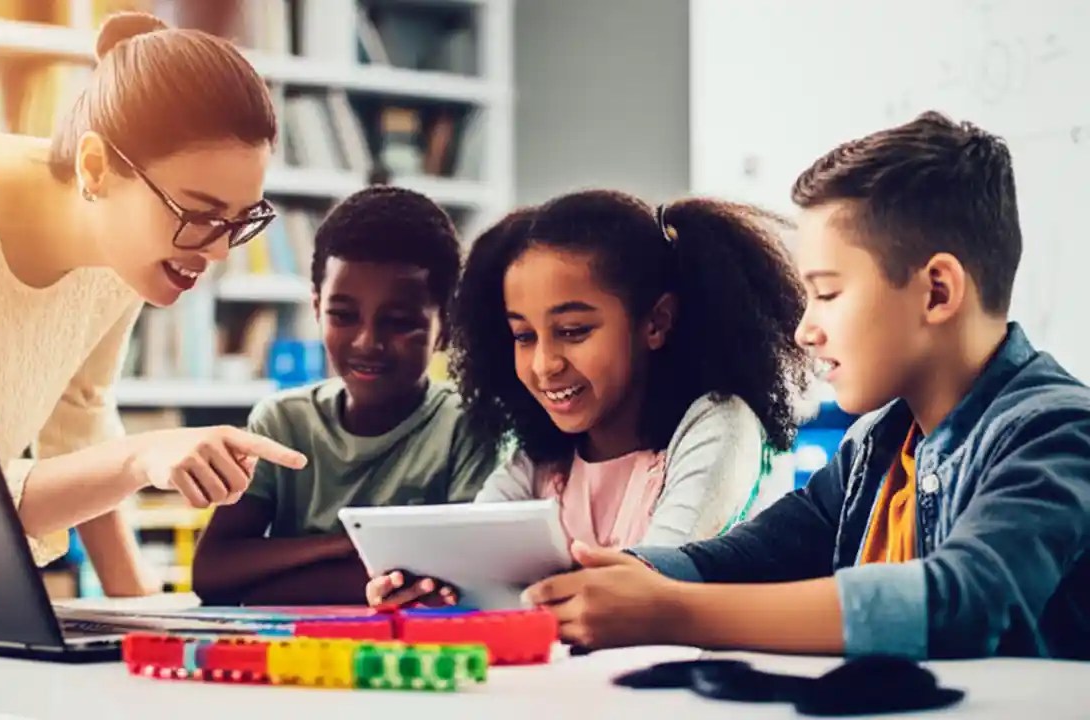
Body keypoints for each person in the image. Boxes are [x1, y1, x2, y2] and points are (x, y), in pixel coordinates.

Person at [521, 111, 1090, 661]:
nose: (805, 330)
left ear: (937, 292)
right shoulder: (877, 446)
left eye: (829, 293)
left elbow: (961, 602)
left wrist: (672, 611)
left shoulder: (1057, 431)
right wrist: (633, 574)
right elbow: (745, 557)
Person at [0, 12, 306, 597]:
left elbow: (81, 416)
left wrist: (140, 606)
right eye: (199, 214)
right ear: (95, 166)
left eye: (239, 220)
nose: (220, 250)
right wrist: (141, 457)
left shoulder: (124, 245)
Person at [368, 190, 811, 607]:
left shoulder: (720, 424)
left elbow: (647, 586)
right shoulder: (540, 460)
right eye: (523, 335)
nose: (544, 364)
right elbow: (474, 557)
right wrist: (436, 589)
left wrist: (502, 592)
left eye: (573, 331)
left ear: (656, 323)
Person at [191, 187, 497, 605]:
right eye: (343, 315)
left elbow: (458, 576)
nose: (368, 341)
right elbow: (212, 573)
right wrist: (349, 544)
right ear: (316, 309)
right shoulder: (282, 422)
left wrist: (269, 582)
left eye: (399, 321)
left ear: (445, 327)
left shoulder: (468, 426)